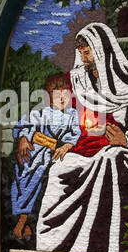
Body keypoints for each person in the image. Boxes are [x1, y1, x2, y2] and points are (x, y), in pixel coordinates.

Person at [36, 21, 128, 252]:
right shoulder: (77, 83)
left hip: (126, 156)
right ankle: (52, 249)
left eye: (88, 52)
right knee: (59, 168)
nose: (84, 59)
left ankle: (105, 250)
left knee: (110, 158)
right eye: (81, 53)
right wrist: (64, 143)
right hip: (83, 153)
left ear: (104, 50)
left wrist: (126, 140)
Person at [11, 72, 80, 240]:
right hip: (36, 154)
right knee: (28, 173)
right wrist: (23, 138)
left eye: (65, 94)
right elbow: (23, 126)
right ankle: (22, 220)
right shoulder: (42, 113)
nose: (62, 99)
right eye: (57, 95)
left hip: (56, 154)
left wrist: (67, 146)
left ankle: (30, 222)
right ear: (49, 97)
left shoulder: (72, 115)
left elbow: (74, 134)